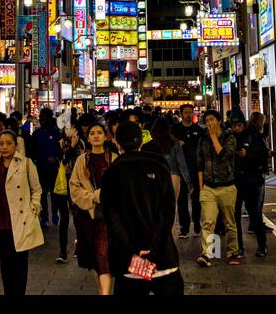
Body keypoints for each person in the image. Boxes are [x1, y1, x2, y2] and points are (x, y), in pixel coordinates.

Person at [105, 121, 183, 295]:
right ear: (141, 141)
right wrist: (153, 243)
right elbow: (168, 211)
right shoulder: (160, 167)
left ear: (116, 142)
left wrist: (134, 248)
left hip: (129, 262)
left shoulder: (112, 172)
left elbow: (111, 217)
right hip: (163, 258)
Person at [0, 129, 44, 295]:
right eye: (1, 144)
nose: (5, 147)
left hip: (21, 221)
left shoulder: (26, 163)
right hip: (0, 222)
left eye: (9, 143)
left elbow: (37, 189)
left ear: (16, 145)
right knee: (5, 264)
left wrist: (34, 208)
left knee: (20, 264)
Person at [69, 121, 116, 294]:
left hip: (107, 217)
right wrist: (93, 197)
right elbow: (74, 187)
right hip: (86, 216)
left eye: (99, 133)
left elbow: (120, 187)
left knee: (103, 254)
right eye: (92, 133)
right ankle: (101, 290)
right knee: (94, 257)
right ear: (88, 138)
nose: (96, 136)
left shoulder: (113, 158)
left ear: (105, 137)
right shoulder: (82, 160)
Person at [196, 110, 241, 267]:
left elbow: (224, 156)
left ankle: (232, 252)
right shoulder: (203, 139)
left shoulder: (229, 137)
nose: (209, 123)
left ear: (219, 121)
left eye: (212, 120)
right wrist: (201, 187)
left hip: (227, 186)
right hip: (208, 187)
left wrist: (214, 136)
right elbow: (199, 163)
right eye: (207, 120)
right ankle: (208, 254)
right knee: (208, 221)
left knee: (230, 222)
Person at [230, 110, 269, 258]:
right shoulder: (230, 137)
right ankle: (239, 247)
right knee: (235, 216)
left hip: (252, 181)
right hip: (236, 181)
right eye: (235, 125)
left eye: (240, 125)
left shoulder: (254, 136)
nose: (237, 128)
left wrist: (248, 155)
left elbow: (263, 156)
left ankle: (262, 245)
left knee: (255, 214)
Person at [141, 117, 190, 233]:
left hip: (153, 178)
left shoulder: (147, 146)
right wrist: (189, 183)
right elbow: (182, 164)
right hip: (173, 176)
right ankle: (171, 236)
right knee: (172, 209)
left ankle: (159, 235)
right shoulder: (175, 143)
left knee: (157, 208)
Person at [53, 122, 83, 262]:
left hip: (77, 185)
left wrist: (74, 146)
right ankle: (62, 251)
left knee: (77, 216)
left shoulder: (82, 145)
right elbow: (63, 161)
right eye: (67, 128)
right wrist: (70, 147)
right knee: (64, 218)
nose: (69, 130)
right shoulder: (60, 143)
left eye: (71, 128)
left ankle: (80, 245)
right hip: (62, 184)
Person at [175, 104, 203, 239]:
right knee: (181, 200)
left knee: (197, 199)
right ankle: (184, 228)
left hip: (196, 170)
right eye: (185, 113)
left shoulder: (199, 130)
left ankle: (197, 223)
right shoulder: (175, 130)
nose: (188, 115)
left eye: (190, 112)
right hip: (180, 170)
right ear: (181, 114)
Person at [30, 107, 62, 226]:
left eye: (45, 117)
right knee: (43, 193)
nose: (43, 119)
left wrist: (56, 158)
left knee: (54, 193)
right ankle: (45, 217)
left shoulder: (55, 132)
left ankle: (53, 214)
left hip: (53, 168)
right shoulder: (37, 133)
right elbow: (32, 151)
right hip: (41, 167)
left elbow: (60, 149)